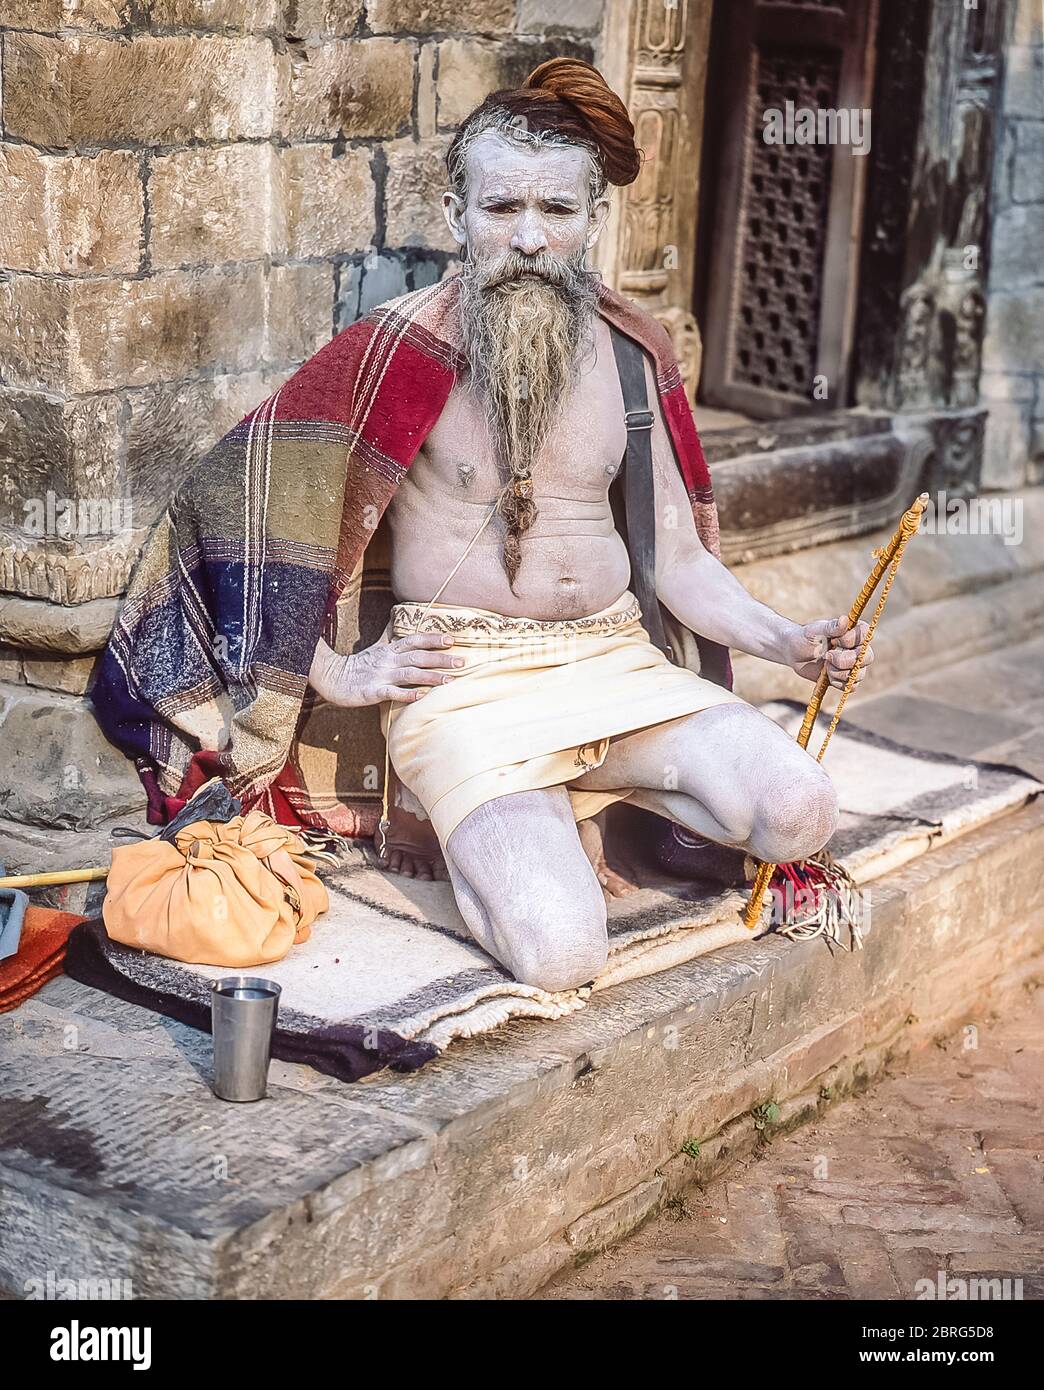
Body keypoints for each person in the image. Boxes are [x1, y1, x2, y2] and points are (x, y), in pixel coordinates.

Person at [304, 59, 874, 992]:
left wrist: (788, 642)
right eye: (501, 210)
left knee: (801, 812)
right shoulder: (396, 355)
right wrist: (345, 673)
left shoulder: (630, 352)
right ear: (457, 218)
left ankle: (588, 793)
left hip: (614, 662)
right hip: (469, 685)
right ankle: (512, 819)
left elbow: (678, 558)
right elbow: (274, 528)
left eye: (558, 212)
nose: (530, 238)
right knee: (564, 956)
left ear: (593, 221)